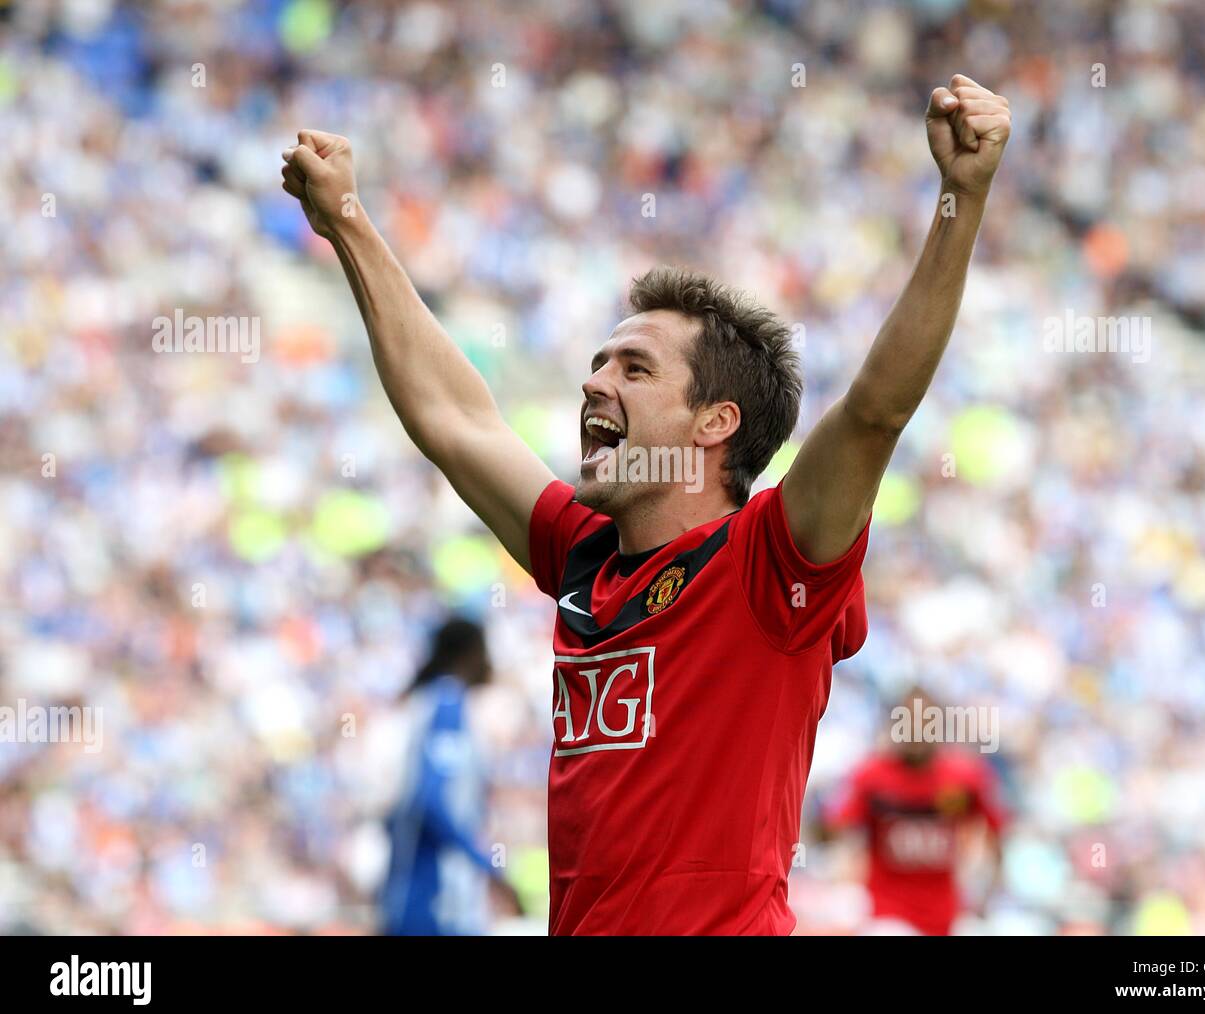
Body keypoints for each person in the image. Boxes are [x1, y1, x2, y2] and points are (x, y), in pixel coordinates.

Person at [281, 75, 1012, 935]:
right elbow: (451, 419)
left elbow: (876, 411)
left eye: (634, 368)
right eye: (599, 361)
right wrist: (348, 224)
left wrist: (961, 197)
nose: (592, 381)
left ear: (716, 422)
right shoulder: (583, 552)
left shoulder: (771, 562)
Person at [823, 687, 1008, 935]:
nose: (918, 731)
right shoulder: (871, 776)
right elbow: (834, 828)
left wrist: (988, 890)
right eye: (909, 721)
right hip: (888, 911)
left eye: (926, 722)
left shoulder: (966, 777)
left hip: (947, 912)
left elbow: (997, 831)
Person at [379, 617, 520, 935]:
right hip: (433, 899)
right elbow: (430, 801)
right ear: (468, 654)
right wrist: (489, 867)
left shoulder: (426, 703)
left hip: (416, 891)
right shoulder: (446, 702)